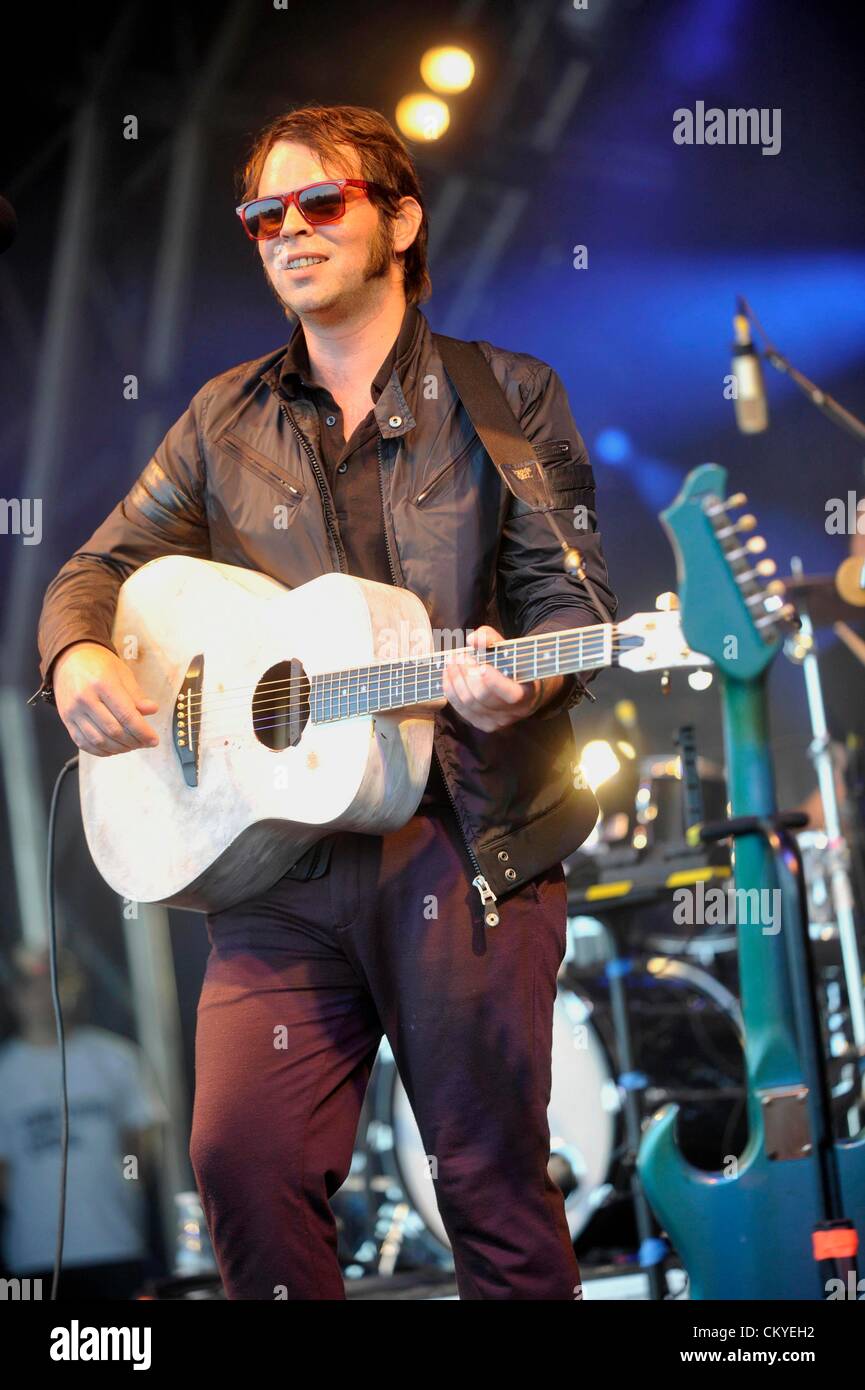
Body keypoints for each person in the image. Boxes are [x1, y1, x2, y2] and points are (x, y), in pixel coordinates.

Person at [34, 103, 616, 1299]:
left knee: (488, 1180)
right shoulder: (221, 417)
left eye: (321, 204)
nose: (286, 230)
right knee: (237, 1162)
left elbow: (572, 603)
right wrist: (77, 656)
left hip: (463, 838)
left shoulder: (504, 396)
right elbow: (95, 570)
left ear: (398, 219)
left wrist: (527, 681)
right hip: (280, 865)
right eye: (262, 214)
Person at [0, 949, 167, 1299]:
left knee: (120, 1350)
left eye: (55, 981)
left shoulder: (115, 1057)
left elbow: (142, 1138)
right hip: (33, 1256)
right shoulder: (5, 1074)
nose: (45, 993)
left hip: (116, 1244)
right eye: (33, 984)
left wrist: (127, 1186)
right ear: (14, 995)